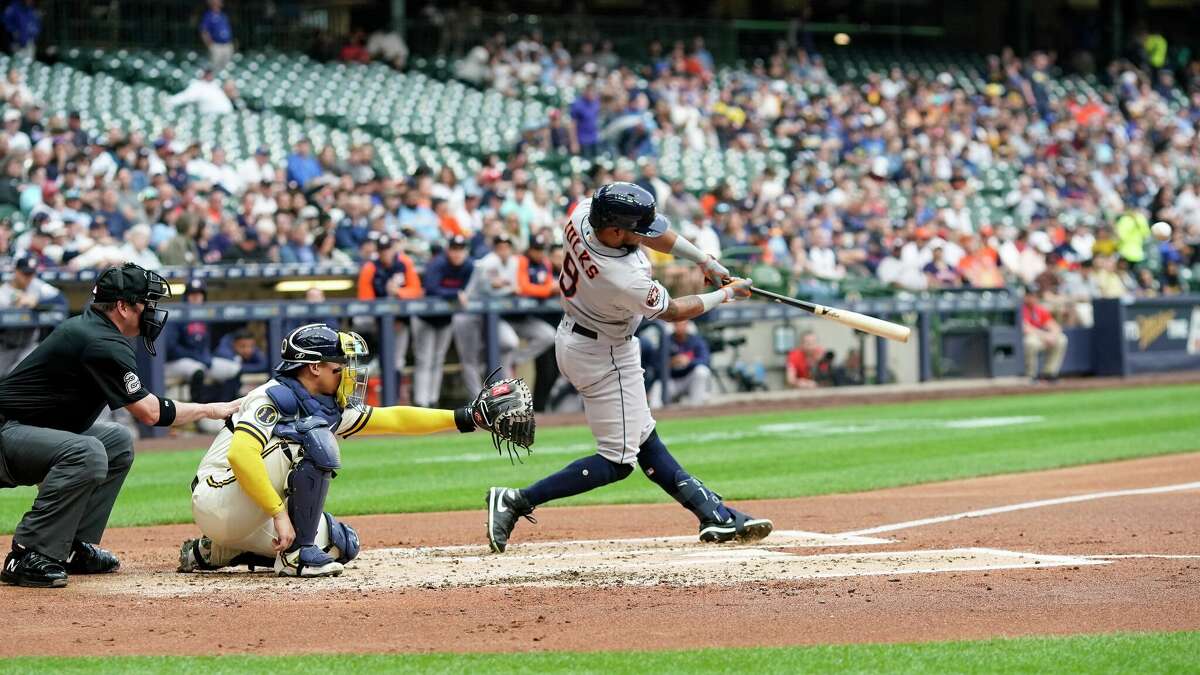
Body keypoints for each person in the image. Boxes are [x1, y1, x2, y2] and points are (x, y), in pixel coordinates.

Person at [486, 182, 771, 553]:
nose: (644, 236)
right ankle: (516, 500)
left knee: (644, 438)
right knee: (617, 460)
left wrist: (703, 260)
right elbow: (673, 312)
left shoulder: (583, 213)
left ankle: (712, 513)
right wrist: (726, 294)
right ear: (615, 231)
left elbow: (653, 234)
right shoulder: (622, 276)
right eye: (634, 231)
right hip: (602, 353)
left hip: (581, 336)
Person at [177, 323, 529, 577]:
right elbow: (241, 456)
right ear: (313, 367)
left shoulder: (324, 403)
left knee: (342, 545)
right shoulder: (270, 396)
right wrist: (278, 514)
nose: (347, 373)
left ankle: (219, 550)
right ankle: (297, 555)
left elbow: (395, 419)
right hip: (217, 496)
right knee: (313, 439)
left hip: (241, 514)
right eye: (338, 367)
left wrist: (466, 417)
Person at [0, 263, 239, 588]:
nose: (152, 311)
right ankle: (29, 553)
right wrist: (212, 409)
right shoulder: (100, 340)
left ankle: (70, 545)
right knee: (88, 452)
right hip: (7, 433)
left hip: (25, 431)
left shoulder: (97, 330)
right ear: (123, 306)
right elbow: (149, 413)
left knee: (116, 440)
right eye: (147, 303)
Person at [412, 235, 473, 408]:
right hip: (425, 318)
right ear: (448, 250)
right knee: (424, 359)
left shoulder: (468, 266)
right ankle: (421, 402)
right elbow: (431, 288)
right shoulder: (438, 263)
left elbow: (468, 290)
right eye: (454, 249)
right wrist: (454, 294)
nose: (457, 253)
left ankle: (432, 400)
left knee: (438, 359)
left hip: (445, 319)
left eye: (460, 250)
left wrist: (458, 294)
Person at [161, 279, 241, 401]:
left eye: (199, 295)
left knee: (234, 369)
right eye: (192, 295)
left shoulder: (206, 318)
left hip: (202, 360)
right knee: (197, 370)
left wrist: (207, 356)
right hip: (177, 362)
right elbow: (171, 348)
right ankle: (196, 408)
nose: (196, 298)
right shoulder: (176, 316)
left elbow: (212, 343)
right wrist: (197, 356)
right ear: (186, 297)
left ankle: (226, 404)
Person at [0, 253, 65, 374]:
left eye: (31, 274)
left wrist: (37, 301)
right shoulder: (3, 293)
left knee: (19, 377)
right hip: (5, 346)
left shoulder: (37, 286)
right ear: (16, 271)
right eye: (25, 274)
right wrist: (13, 309)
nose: (29, 278)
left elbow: (61, 300)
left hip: (29, 346)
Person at [649, 320, 712, 407]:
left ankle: (697, 408)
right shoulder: (666, 340)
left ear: (687, 325)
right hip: (672, 380)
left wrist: (689, 361)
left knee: (702, 371)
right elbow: (655, 366)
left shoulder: (696, 340)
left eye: (683, 324)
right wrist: (671, 362)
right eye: (677, 324)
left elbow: (705, 361)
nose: (680, 327)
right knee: (657, 387)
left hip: (689, 379)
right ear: (673, 326)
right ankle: (658, 416)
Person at [1021, 286, 1068, 382]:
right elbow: (1026, 329)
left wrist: (1052, 336)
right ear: (1025, 297)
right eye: (1030, 295)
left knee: (1061, 339)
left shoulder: (1039, 309)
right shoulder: (1021, 309)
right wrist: (1045, 336)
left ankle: (1049, 373)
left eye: (1034, 295)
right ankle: (1031, 376)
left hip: (1041, 337)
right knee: (1030, 342)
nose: (1033, 298)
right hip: (1026, 338)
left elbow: (1055, 327)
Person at [199, 0, 234, 71]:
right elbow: (204, 31)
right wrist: (210, 45)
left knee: (227, 68)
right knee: (215, 67)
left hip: (227, 45)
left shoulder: (223, 15)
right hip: (216, 45)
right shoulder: (208, 16)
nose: (219, 2)